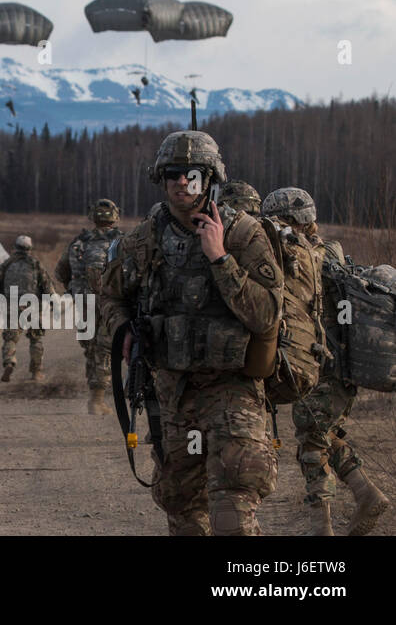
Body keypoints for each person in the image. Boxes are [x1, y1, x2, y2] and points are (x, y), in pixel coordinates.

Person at [99, 131, 283, 535]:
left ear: (210, 177)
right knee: (182, 510)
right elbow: (111, 296)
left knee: (232, 513)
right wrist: (122, 330)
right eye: (174, 173)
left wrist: (220, 258)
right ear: (162, 178)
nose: (183, 182)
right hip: (173, 394)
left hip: (233, 390)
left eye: (193, 173)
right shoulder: (144, 239)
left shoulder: (243, 235)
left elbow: (268, 314)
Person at [263, 188, 392, 536]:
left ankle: (321, 526)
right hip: (346, 365)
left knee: (311, 443)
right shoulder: (330, 252)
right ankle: (367, 494)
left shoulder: (300, 259)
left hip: (324, 365)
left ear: (289, 223)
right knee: (324, 433)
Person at [53, 200, 122, 413]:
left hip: (83, 303)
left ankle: (95, 397)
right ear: (115, 217)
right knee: (104, 349)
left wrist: (76, 289)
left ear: (93, 217)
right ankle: (96, 399)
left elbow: (60, 272)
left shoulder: (78, 243)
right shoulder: (122, 243)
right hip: (110, 303)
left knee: (91, 348)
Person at [0, 234, 52, 382]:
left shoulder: (7, 264)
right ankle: (36, 372)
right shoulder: (36, 264)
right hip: (32, 306)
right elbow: (47, 286)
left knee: (10, 338)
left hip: (12, 305)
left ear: (16, 247)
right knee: (36, 339)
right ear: (30, 248)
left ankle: (9, 363)